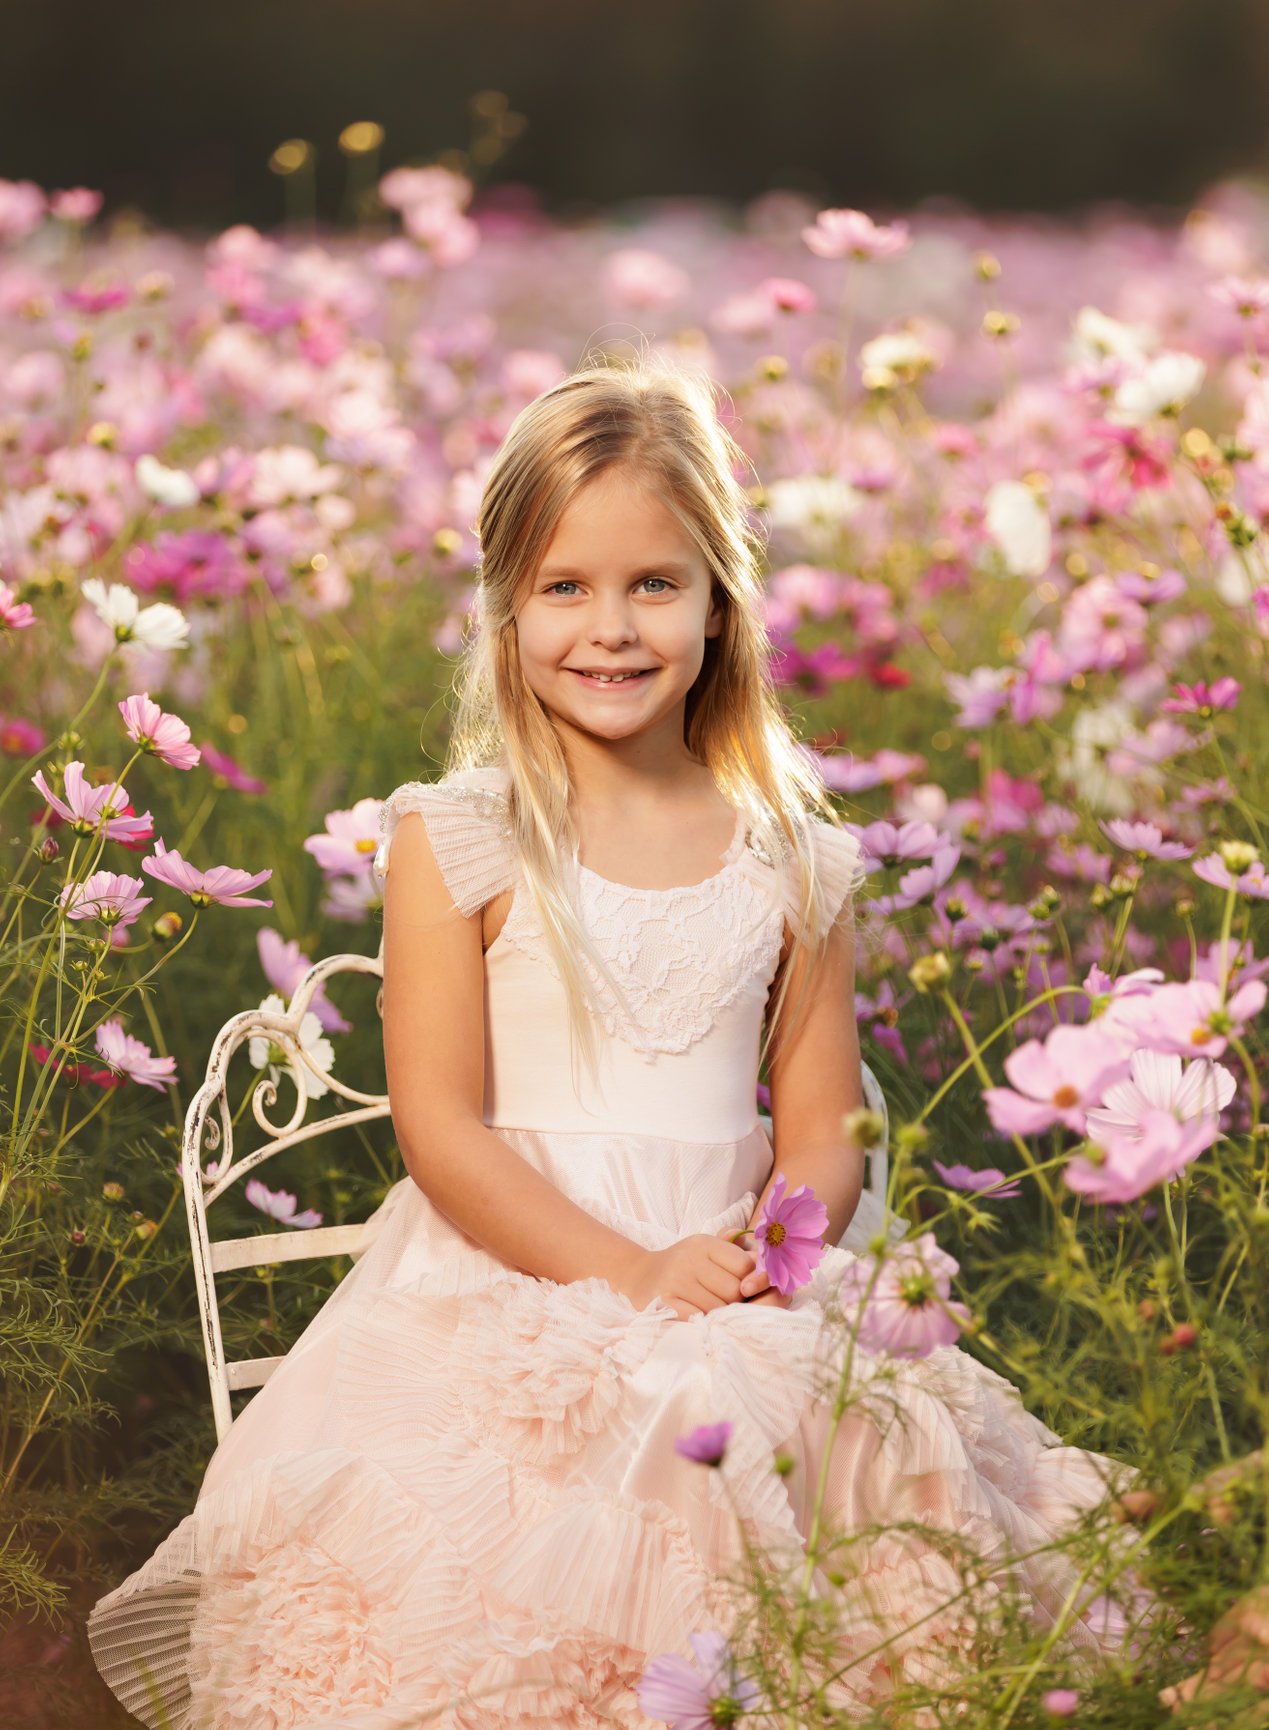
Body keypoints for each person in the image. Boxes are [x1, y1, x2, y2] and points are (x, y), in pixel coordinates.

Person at [90, 361, 1126, 1728]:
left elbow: (824, 1123)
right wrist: (633, 1272)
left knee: (811, 1442)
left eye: (654, 584)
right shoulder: (460, 835)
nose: (612, 627)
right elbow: (439, 1127)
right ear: (507, 607)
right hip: (515, 1275)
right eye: (565, 586)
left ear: (718, 599)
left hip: (734, 1274)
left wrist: (771, 1246)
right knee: (530, 1558)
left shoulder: (796, 857)